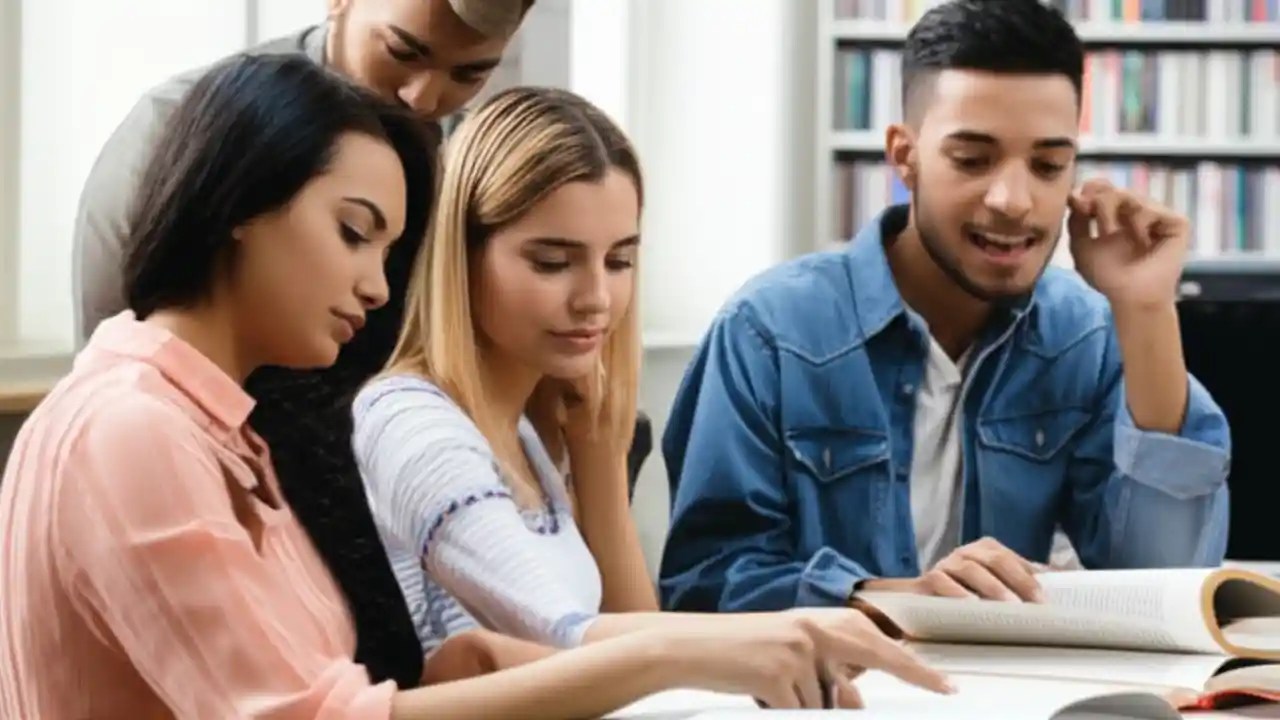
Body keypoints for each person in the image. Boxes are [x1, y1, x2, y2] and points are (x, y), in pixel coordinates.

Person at [0, 53, 951, 718]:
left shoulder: (222, 429)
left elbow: (366, 678)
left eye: (620, 260)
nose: (377, 286)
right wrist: (688, 648)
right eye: (353, 231)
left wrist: (470, 659)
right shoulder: (131, 430)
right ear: (240, 206)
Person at [347, 85, 955, 710]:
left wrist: (600, 460)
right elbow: (562, 633)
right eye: (553, 261)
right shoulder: (411, 421)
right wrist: (794, 628)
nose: (596, 299)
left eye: (619, 260)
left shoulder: (531, 432)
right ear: (462, 255)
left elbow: (633, 644)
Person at [658, 0, 1232, 614]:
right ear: (905, 156)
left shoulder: (1086, 334)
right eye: (973, 159)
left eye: (1048, 165)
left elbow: (1167, 580)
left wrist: (1145, 311)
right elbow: (704, 586)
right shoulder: (767, 332)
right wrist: (899, 600)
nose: (1014, 200)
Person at [67, 0, 556, 687]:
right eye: (404, 52)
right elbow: (120, 357)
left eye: (469, 75)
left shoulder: (457, 162)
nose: (425, 97)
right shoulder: (175, 131)